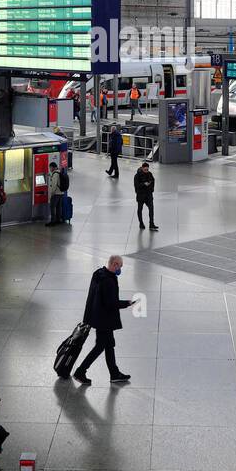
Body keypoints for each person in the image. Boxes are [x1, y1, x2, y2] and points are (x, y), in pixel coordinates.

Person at [74, 255, 134, 385]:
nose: (120, 269)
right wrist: (127, 303)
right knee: (100, 346)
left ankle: (114, 373)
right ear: (114, 264)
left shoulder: (99, 274)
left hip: (97, 316)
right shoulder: (109, 281)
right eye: (120, 266)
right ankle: (80, 371)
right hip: (104, 320)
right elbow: (110, 303)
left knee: (109, 345)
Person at [134, 161, 157, 231]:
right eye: (145, 170)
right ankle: (141, 223)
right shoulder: (137, 176)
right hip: (141, 195)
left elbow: (153, 181)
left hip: (148, 195)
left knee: (151, 208)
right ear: (142, 168)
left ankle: (151, 224)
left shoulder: (150, 174)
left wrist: (151, 189)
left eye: (147, 169)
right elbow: (136, 186)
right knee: (140, 209)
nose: (146, 171)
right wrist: (144, 184)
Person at [46, 161, 64, 226]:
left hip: (56, 193)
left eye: (50, 167)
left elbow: (54, 185)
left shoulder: (55, 174)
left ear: (52, 167)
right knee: (59, 207)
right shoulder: (59, 172)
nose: (50, 169)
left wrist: (52, 193)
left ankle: (52, 221)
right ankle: (58, 220)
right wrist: (50, 175)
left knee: (52, 207)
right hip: (61, 193)